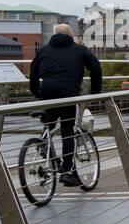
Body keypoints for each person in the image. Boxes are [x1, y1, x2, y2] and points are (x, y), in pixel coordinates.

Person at [28, 23, 102, 186]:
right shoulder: (79, 50)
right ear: (71, 36)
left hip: (47, 92)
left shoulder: (43, 50)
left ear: (54, 35)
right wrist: (96, 93)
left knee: (49, 123)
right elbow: (96, 68)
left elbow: (32, 73)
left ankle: (44, 146)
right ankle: (67, 171)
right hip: (68, 94)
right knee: (67, 130)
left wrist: (38, 93)